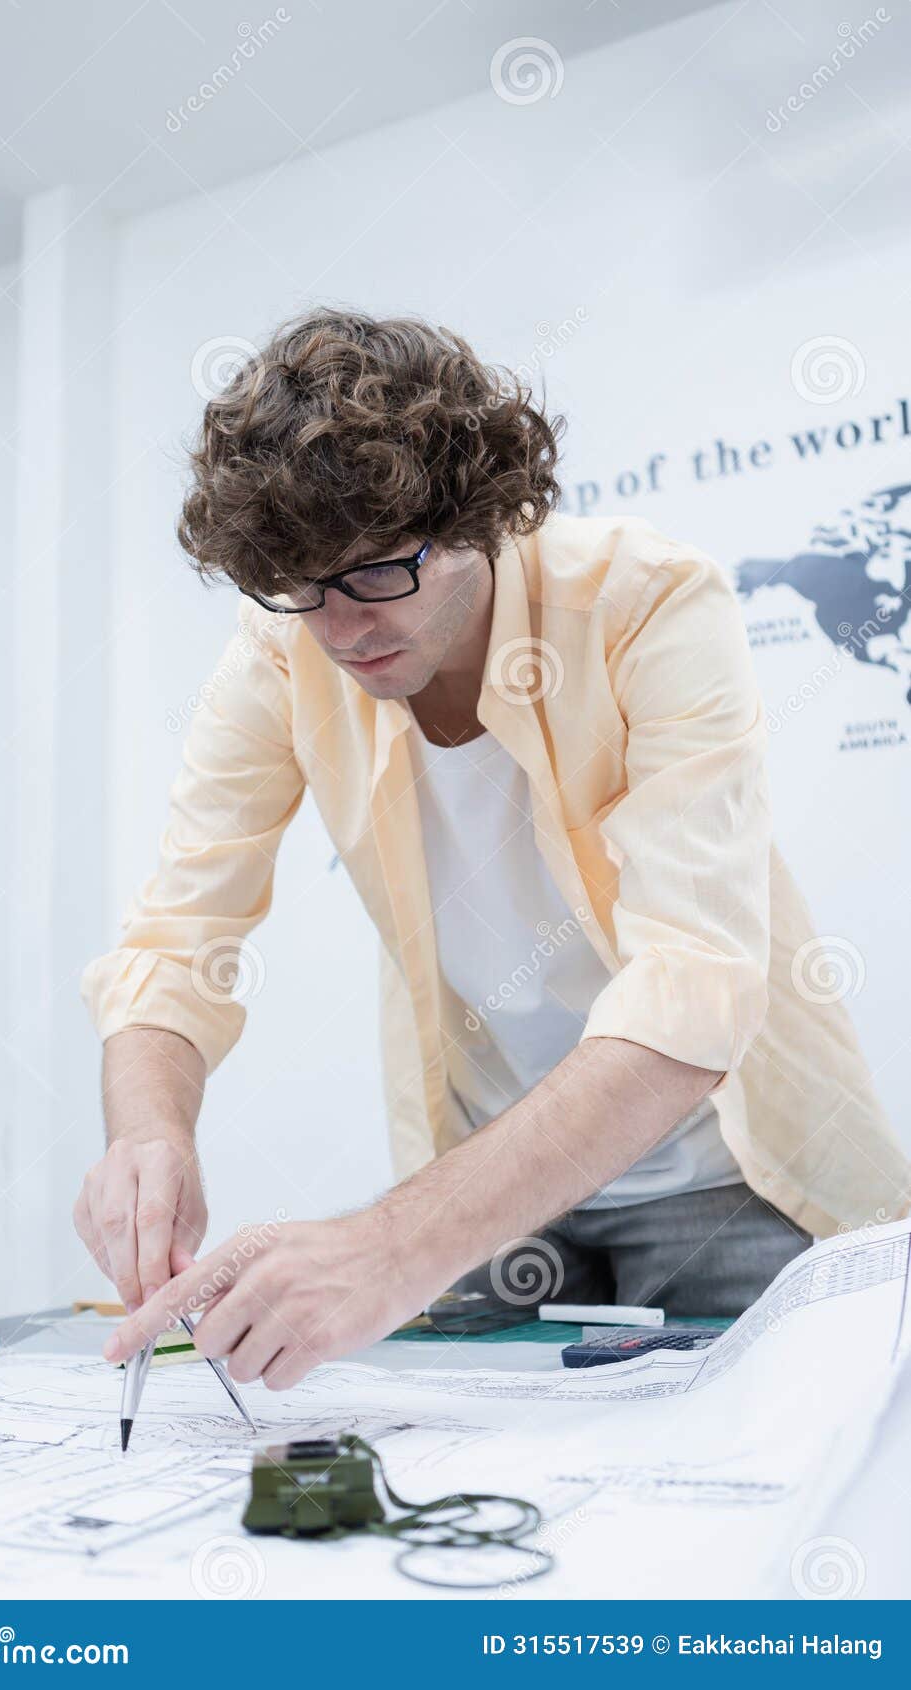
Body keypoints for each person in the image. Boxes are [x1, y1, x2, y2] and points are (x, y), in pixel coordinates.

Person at [75, 306, 911, 1388]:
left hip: (733, 1178)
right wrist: (149, 1135)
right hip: (489, 1195)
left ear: (482, 516)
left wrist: (387, 1245)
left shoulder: (645, 601)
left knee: (790, 1482)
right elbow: (177, 937)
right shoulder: (285, 653)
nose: (343, 631)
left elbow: (691, 986)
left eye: (379, 571)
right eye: (303, 591)